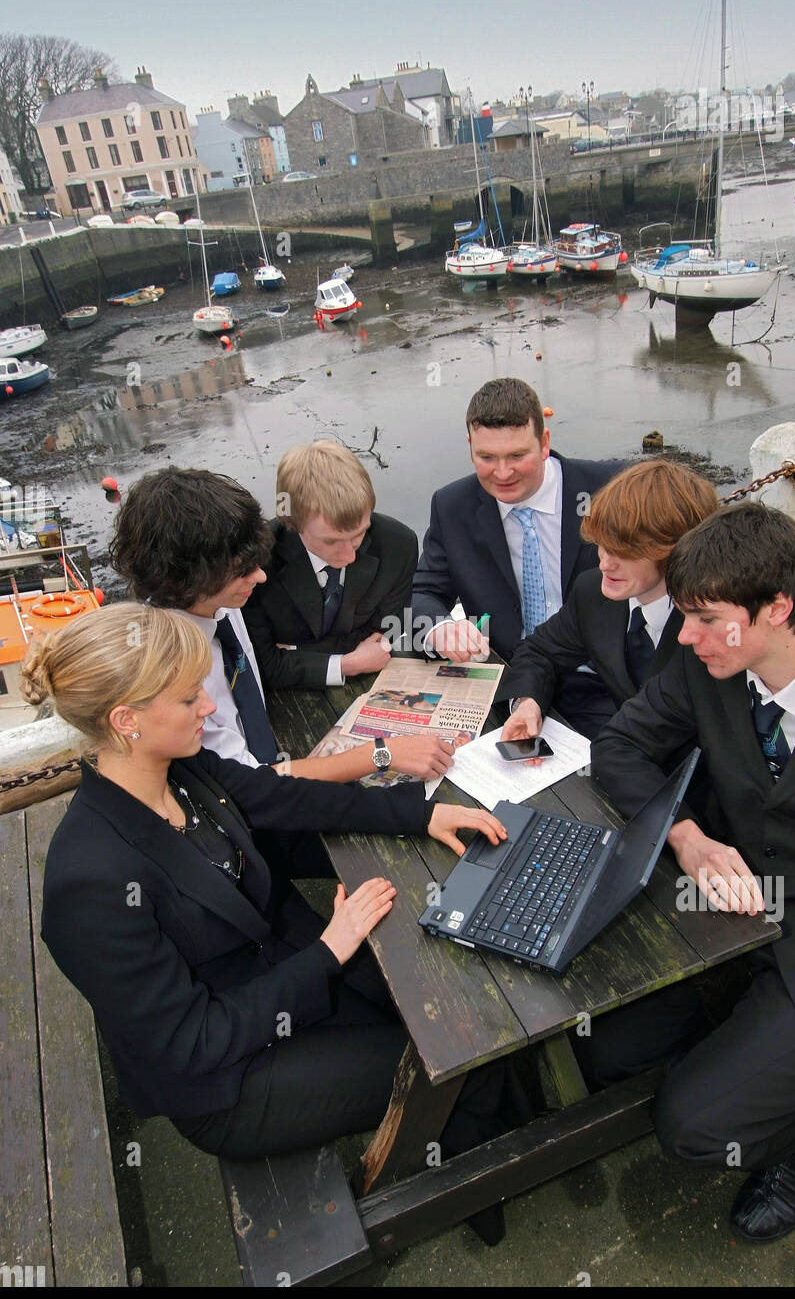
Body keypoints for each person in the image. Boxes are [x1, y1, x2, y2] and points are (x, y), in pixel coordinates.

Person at [24, 604, 521, 1209]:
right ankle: (455, 1191)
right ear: (126, 719)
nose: (208, 708)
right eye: (188, 701)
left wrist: (423, 814)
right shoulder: (90, 880)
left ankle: (474, 1148)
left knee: (458, 1011)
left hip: (282, 974)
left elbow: (291, 799)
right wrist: (329, 951)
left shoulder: (185, 769)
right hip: (229, 1079)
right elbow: (189, 1042)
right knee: (459, 1060)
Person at [591, 502, 795, 1242]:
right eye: (683, 616)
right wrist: (688, 839)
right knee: (605, 1050)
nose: (684, 636)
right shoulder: (706, 661)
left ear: (777, 607)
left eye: (706, 617)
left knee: (690, 1128)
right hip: (724, 906)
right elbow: (616, 749)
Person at [109, 467, 454, 785]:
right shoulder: (166, 672)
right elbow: (253, 783)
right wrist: (381, 754)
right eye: (243, 570)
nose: (259, 576)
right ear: (191, 577)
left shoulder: (222, 605)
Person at [411, 377, 625, 731]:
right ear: (469, 447)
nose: (503, 473)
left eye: (516, 455)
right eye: (486, 457)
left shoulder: (609, 488)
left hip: (603, 680)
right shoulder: (451, 506)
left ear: (544, 443)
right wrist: (441, 628)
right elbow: (425, 592)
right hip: (507, 680)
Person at [496, 460, 720, 740]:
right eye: (603, 544)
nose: (605, 564)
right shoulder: (593, 591)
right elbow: (541, 651)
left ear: (675, 552)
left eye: (624, 552)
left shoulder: (715, 624)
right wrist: (527, 702)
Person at [242, 439, 418, 692]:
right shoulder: (258, 562)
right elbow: (262, 665)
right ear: (292, 522)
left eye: (359, 534)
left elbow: (384, 634)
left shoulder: (398, 545)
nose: (349, 556)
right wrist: (345, 664)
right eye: (331, 541)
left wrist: (294, 651)